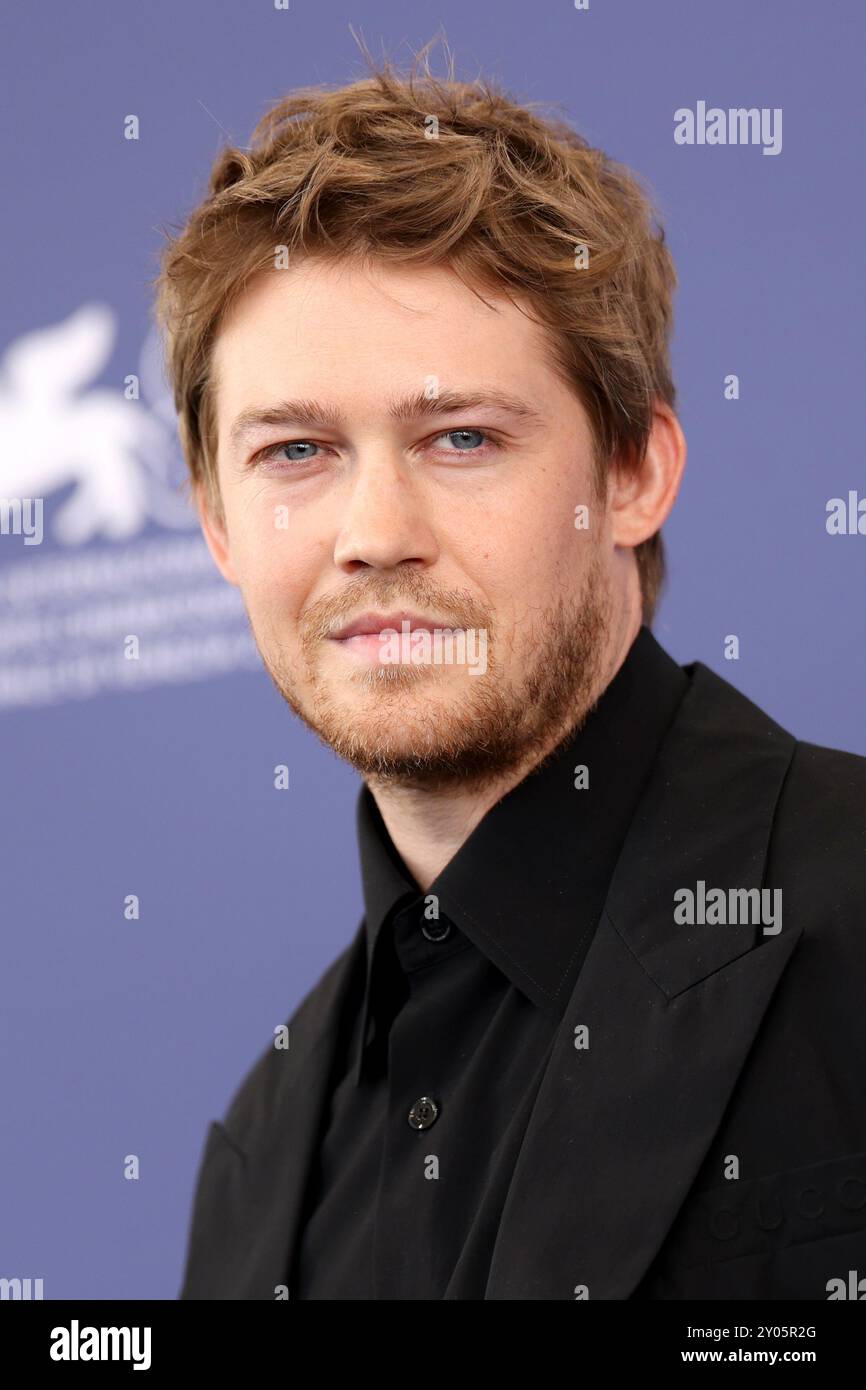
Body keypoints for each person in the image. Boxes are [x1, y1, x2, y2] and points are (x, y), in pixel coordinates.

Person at [154, 48, 866, 1300]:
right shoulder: (257, 1155)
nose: (374, 530)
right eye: (296, 450)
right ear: (216, 522)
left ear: (633, 473)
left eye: (462, 436)